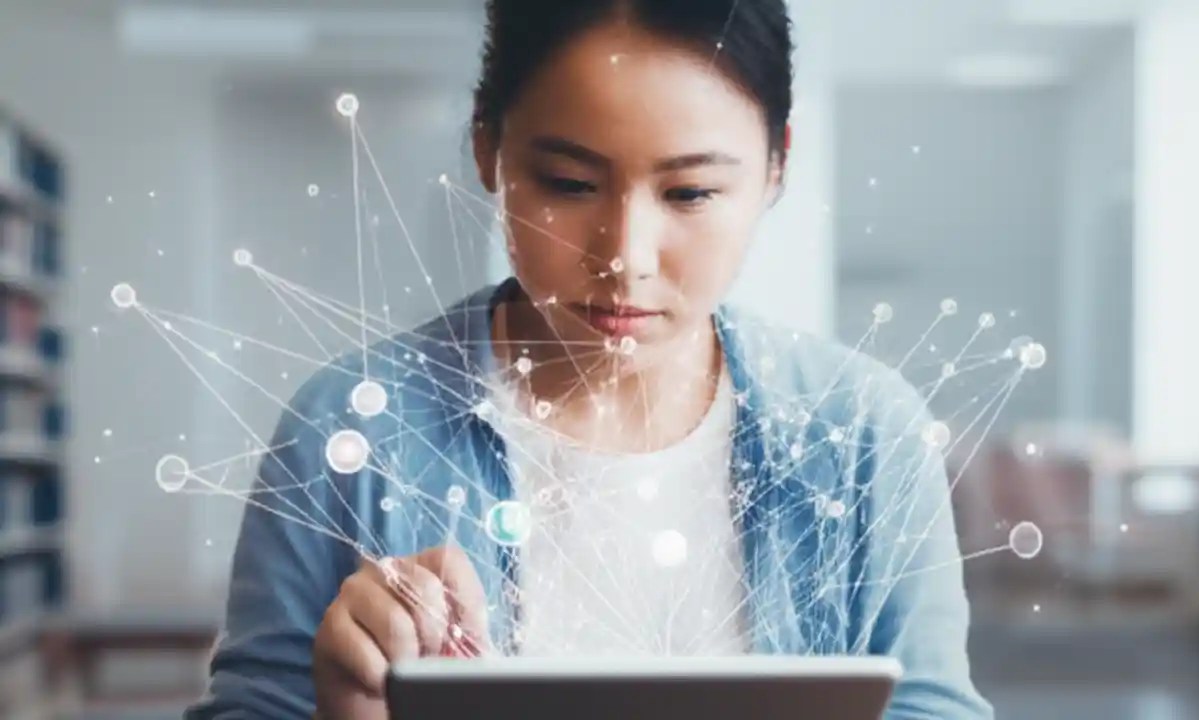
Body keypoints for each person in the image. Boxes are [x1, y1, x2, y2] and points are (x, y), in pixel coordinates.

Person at [186, 1, 993, 718]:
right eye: (570, 183)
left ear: (776, 164)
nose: (626, 258)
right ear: (487, 149)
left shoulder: (862, 435)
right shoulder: (350, 428)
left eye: (690, 195)